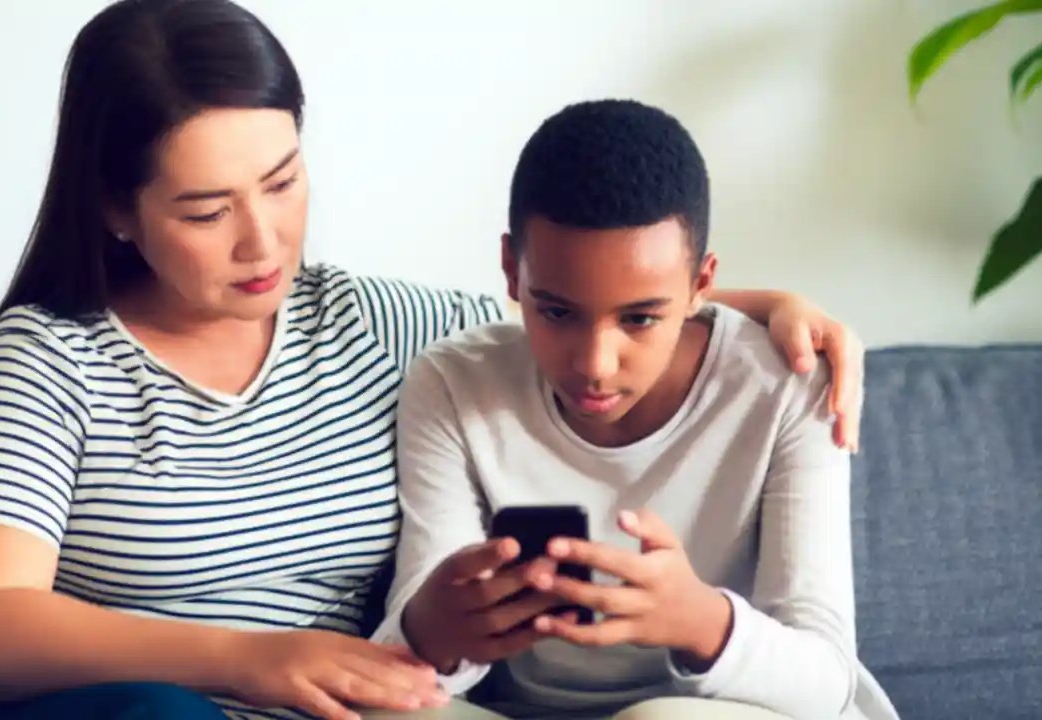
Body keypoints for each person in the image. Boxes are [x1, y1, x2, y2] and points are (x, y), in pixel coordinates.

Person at [0, 2, 866, 719]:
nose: (261, 242)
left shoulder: (377, 327)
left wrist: (763, 311)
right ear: (114, 211)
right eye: (204, 210)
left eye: (281, 182)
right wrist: (249, 659)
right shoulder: (50, 359)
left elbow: (568, 307)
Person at [381, 99, 898, 720]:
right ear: (510, 273)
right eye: (557, 312)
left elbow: (828, 685)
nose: (596, 363)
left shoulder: (787, 385)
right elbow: (402, 669)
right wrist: (430, 631)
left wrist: (702, 622)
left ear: (701, 285)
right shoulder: (453, 381)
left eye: (640, 318)